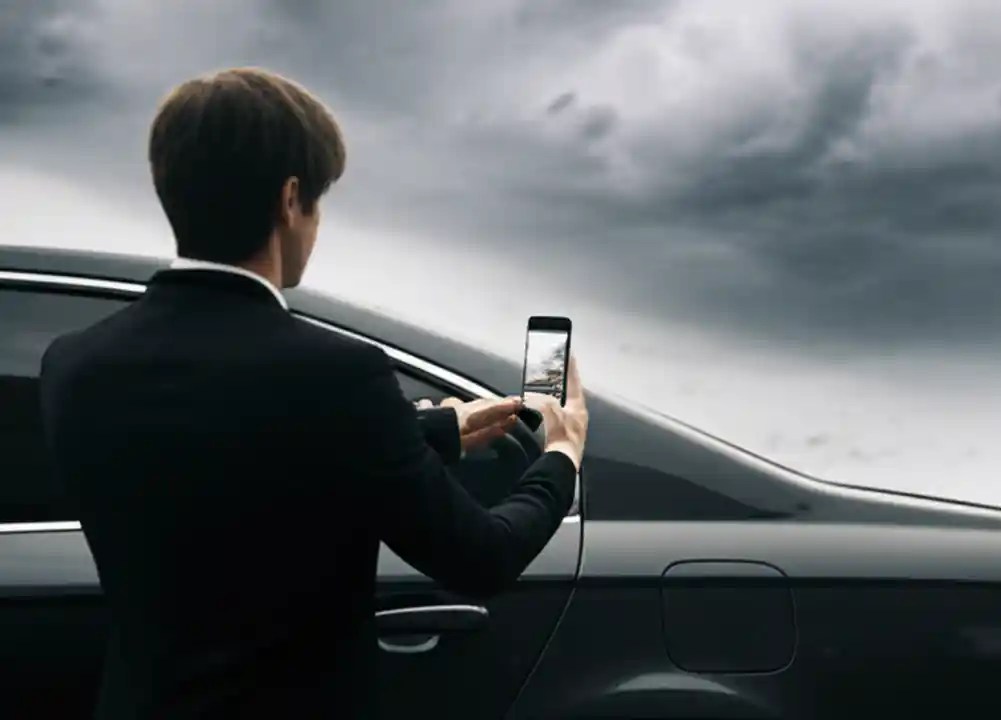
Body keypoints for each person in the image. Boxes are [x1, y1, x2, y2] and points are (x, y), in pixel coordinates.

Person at [38, 67, 589, 720]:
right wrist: (561, 456)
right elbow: (482, 557)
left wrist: (433, 430)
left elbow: (228, 459)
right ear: (291, 200)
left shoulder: (73, 365)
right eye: (319, 203)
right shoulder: (340, 375)